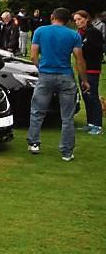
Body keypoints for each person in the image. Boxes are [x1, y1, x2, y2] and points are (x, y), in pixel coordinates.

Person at [28, 8, 89, 161]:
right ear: (68, 20)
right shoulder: (73, 34)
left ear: (52, 17)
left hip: (46, 75)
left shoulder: (40, 31)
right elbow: (79, 59)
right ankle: (67, 151)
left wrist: (40, 67)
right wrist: (84, 80)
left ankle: (34, 143)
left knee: (37, 111)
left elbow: (33, 55)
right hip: (65, 76)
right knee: (67, 116)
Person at [73, 10, 103, 135]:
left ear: (86, 19)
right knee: (86, 96)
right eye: (75, 20)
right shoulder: (80, 33)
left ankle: (98, 125)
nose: (78, 22)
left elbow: (96, 49)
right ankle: (90, 123)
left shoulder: (93, 32)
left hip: (92, 68)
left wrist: (80, 46)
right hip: (82, 69)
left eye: (80, 19)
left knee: (92, 96)